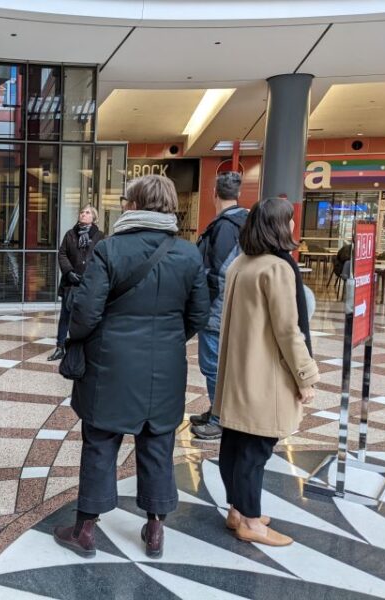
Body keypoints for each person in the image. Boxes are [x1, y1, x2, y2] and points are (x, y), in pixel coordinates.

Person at [53, 175, 209, 559]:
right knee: (157, 442)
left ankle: (85, 529)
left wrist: (75, 337)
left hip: (110, 365)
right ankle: (155, 529)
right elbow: (199, 314)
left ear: (135, 204)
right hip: (166, 368)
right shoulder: (188, 254)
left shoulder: (111, 249)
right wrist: (169, 337)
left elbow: (87, 312)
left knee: (101, 442)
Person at [213, 197, 318, 547]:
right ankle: (252, 523)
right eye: (288, 221)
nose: (292, 227)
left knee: (235, 442)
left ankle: (237, 510)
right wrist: (305, 375)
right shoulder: (276, 268)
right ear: (278, 226)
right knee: (255, 450)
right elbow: (288, 330)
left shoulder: (242, 263)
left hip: (236, 374)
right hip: (264, 377)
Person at [191, 171, 248, 440]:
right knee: (221, 365)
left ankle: (220, 419)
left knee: (213, 365)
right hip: (234, 308)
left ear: (214, 193)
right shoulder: (244, 221)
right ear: (238, 194)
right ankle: (218, 410)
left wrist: (202, 305)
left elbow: (217, 273)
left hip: (217, 310)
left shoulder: (225, 226)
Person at [48, 205, 104, 361]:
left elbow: (102, 258)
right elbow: (62, 253)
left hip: (89, 284)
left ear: (94, 217)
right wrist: (69, 271)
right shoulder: (70, 234)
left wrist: (92, 275)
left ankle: (83, 348)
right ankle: (60, 347)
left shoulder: (99, 236)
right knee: (65, 316)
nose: (83, 214)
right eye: (82, 212)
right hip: (71, 283)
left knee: (86, 317)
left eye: (87, 213)